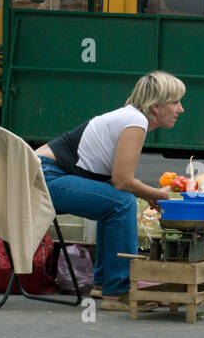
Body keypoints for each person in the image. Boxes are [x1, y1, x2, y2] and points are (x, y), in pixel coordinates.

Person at [35, 71, 185, 310]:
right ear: (156, 106)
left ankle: (105, 285)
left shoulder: (131, 118)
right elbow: (122, 181)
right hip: (44, 177)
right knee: (122, 201)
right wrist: (158, 194)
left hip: (44, 175)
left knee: (116, 202)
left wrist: (148, 193)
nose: (181, 109)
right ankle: (118, 291)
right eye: (176, 102)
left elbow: (117, 182)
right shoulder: (135, 121)